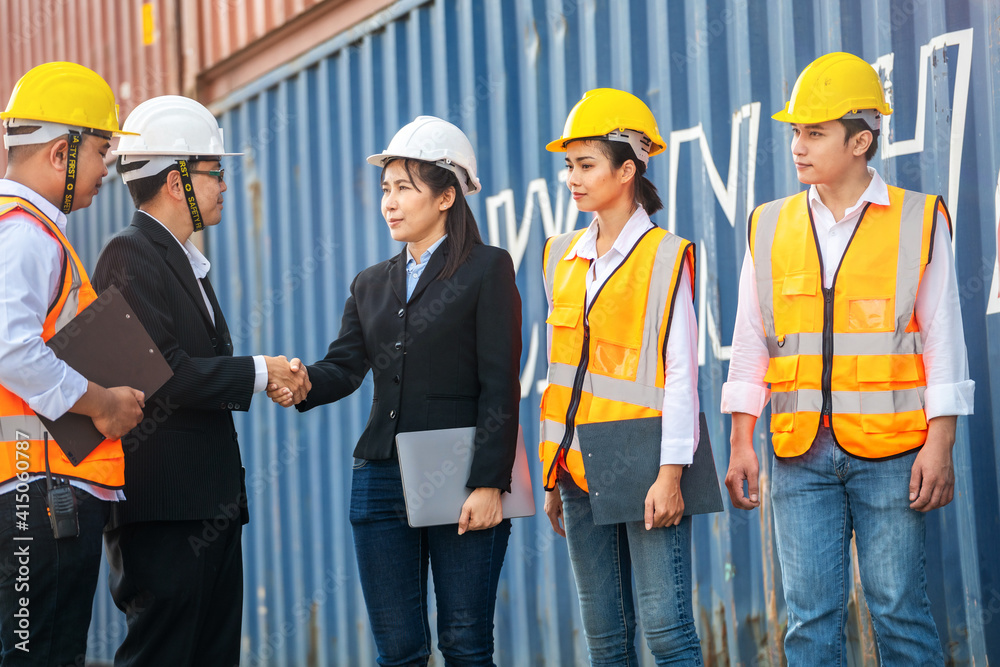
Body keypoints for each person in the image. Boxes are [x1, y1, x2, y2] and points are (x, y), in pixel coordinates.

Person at [722, 52, 975, 665]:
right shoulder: (769, 224)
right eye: (795, 132)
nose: (798, 146)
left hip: (891, 453)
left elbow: (943, 339)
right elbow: (752, 340)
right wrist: (740, 440)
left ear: (861, 140)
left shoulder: (917, 219)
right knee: (809, 622)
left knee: (898, 612)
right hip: (798, 452)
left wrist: (939, 444)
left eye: (815, 132)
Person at [268, 115, 522, 666]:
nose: (390, 202)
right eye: (386, 189)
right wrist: (302, 382)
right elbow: (345, 366)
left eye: (405, 188)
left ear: (447, 195)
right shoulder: (370, 283)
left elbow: (500, 385)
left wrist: (488, 484)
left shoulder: (487, 269)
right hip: (380, 477)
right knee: (399, 653)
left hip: (460, 476)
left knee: (466, 647)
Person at [90, 95, 310, 667]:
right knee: (163, 654)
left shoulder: (181, 259)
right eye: (215, 172)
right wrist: (264, 372)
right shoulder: (128, 252)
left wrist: (262, 376)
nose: (225, 186)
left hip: (206, 507)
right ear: (175, 180)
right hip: (164, 511)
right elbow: (162, 377)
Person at [539, 88, 704, 665]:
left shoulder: (664, 255)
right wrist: (557, 471)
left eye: (587, 165)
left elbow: (682, 374)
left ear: (627, 169)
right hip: (579, 467)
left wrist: (671, 474)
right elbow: (563, 373)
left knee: (666, 633)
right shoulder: (560, 255)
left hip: (644, 462)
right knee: (605, 641)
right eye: (569, 166)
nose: (573, 179)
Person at [0, 61, 146, 666]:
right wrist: (103, 402)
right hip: (41, 488)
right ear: (61, 153)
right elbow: (10, 349)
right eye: (100, 157)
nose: (104, 175)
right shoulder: (27, 236)